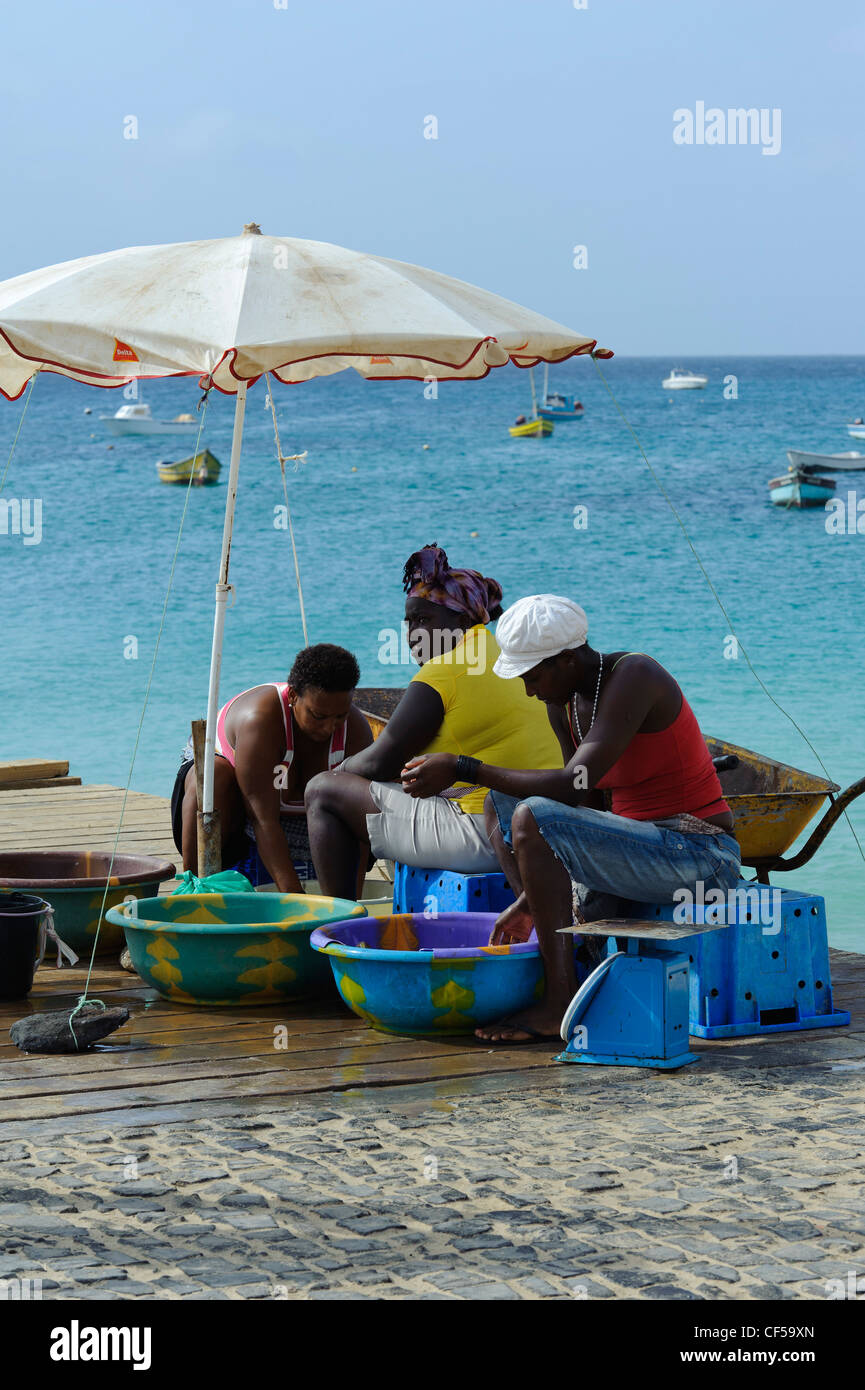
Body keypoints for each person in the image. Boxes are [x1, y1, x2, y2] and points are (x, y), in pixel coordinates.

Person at [399, 594, 742, 1042]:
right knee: (498, 803)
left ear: (565, 659)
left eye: (533, 675)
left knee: (531, 816)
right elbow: (588, 806)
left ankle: (559, 999)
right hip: (640, 846)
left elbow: (573, 784)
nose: (528, 689)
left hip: (699, 855)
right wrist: (529, 900)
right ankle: (555, 949)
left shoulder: (634, 675)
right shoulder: (562, 700)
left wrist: (465, 767)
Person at [305, 546, 562, 899]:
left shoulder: (444, 671)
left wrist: (340, 770)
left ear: (460, 621)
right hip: (544, 824)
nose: (412, 632)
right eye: (409, 621)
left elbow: (380, 762)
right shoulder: (508, 654)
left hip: (487, 833)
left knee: (323, 791)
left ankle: (339, 922)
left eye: (423, 620)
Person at [170, 644, 373, 892]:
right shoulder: (260, 721)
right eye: (318, 716)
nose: (329, 727)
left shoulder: (357, 730)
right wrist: (298, 902)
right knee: (216, 776)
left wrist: (353, 902)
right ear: (294, 697)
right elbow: (262, 819)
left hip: (295, 807)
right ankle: (196, 887)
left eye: (339, 716)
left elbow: (361, 826)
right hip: (239, 799)